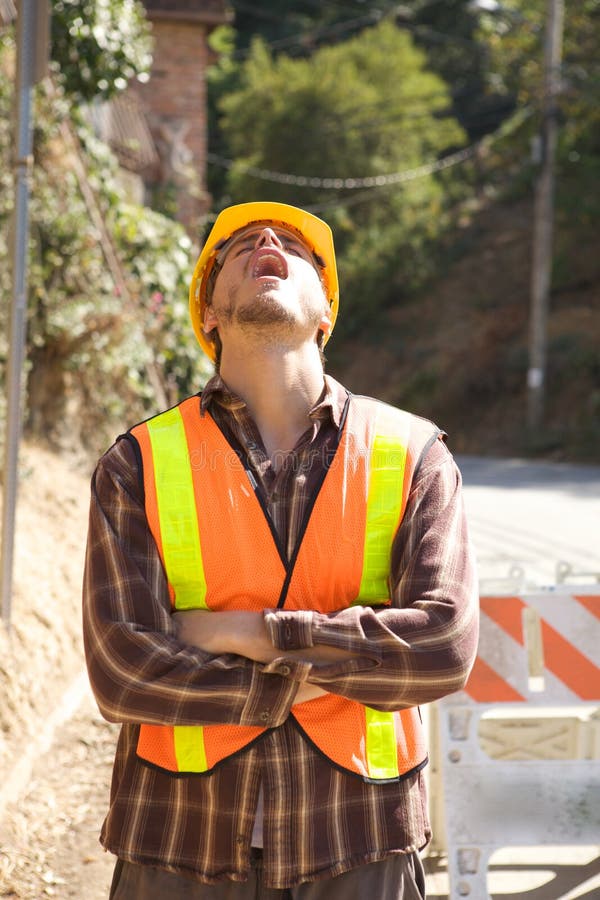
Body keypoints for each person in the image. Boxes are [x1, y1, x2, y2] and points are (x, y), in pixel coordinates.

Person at [83, 201, 479, 899]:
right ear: (209, 314)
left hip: (361, 836)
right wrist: (333, 665)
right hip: (181, 840)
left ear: (325, 311)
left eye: (296, 246)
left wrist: (250, 634)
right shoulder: (139, 462)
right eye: (238, 246)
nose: (268, 241)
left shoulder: (413, 455)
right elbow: (124, 671)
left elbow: (443, 646)